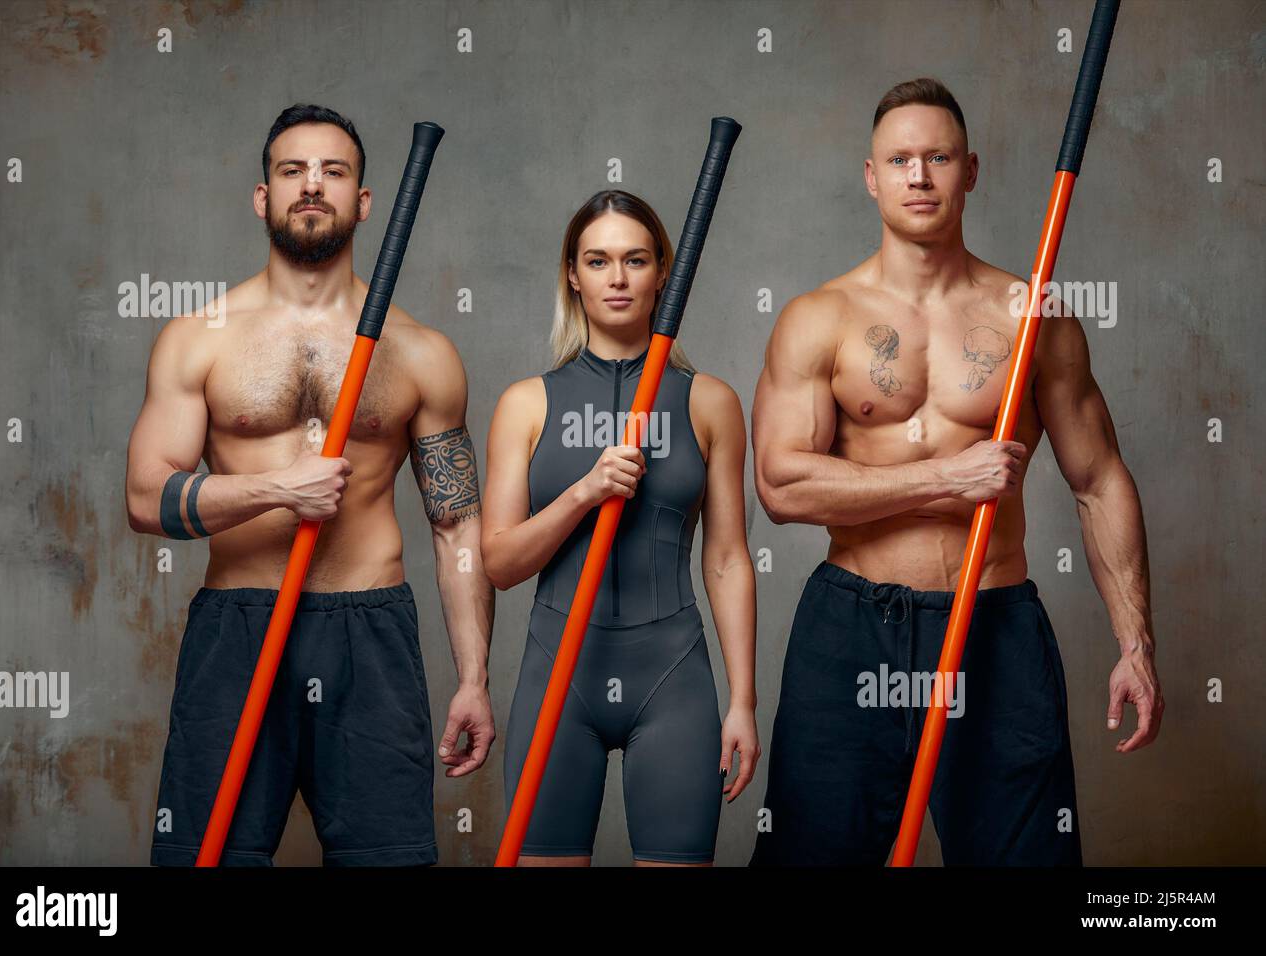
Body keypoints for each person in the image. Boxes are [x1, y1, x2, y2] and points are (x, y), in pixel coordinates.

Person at [749, 79, 1163, 866]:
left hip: (995, 625)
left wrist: (1135, 643)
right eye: (899, 159)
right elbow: (781, 486)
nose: (919, 176)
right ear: (870, 176)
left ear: (970, 170)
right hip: (852, 630)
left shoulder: (1033, 314)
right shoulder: (818, 317)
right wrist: (944, 481)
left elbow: (1099, 479)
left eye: (937, 156)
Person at [125, 104, 495, 866]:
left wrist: (473, 674)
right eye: (292, 171)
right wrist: (275, 491)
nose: (312, 186)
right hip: (239, 626)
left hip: (370, 636)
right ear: (263, 196)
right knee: (210, 855)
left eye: (334, 171)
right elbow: (144, 498)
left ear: (363, 202)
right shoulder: (199, 337)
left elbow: (457, 528)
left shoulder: (421, 351)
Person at [482, 190, 759, 866]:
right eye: (597, 260)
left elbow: (726, 559)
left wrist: (743, 699)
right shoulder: (526, 404)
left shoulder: (710, 402)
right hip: (559, 674)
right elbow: (500, 563)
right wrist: (585, 491)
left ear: (663, 271)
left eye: (635, 260)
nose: (616, 277)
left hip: (672, 679)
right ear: (572, 274)